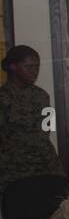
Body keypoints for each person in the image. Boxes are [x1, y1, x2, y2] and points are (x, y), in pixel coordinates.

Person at [0, 45, 63, 195]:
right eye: (29, 67)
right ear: (13, 67)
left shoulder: (42, 96)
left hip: (45, 166)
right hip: (13, 171)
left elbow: (48, 129)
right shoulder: (3, 98)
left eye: (37, 67)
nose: (34, 71)